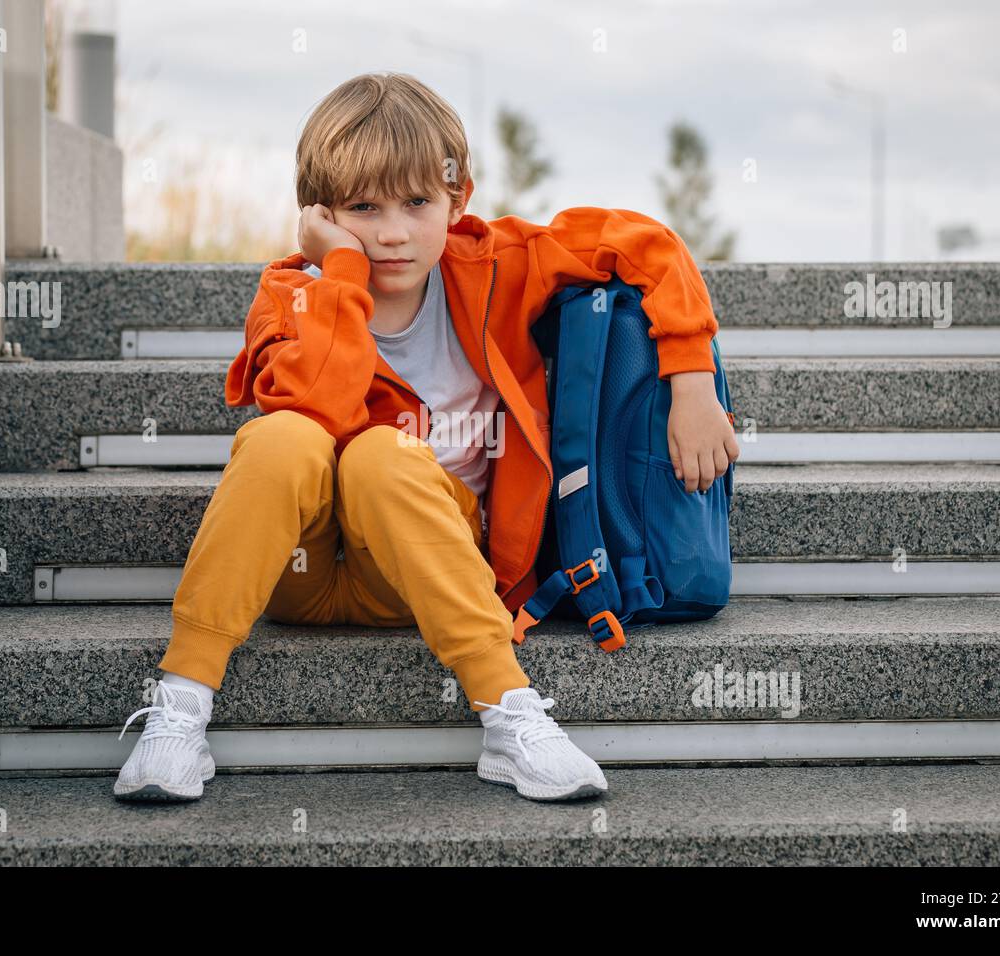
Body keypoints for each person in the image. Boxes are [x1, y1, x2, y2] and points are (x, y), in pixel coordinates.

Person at [114, 71, 738, 803]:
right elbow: (315, 406)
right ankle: (180, 712)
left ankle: (510, 718)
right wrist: (340, 272)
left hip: (417, 567)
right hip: (297, 566)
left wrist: (691, 378)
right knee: (281, 437)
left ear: (457, 199)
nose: (392, 232)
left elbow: (643, 243)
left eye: (417, 203)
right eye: (362, 209)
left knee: (383, 454)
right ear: (321, 214)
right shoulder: (292, 293)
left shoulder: (498, 263)